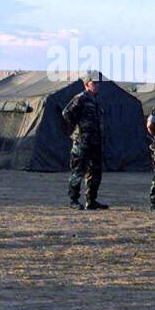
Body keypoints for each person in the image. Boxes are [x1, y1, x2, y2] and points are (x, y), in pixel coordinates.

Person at [62, 74, 107, 210]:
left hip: (95, 141)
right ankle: (73, 200)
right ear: (86, 84)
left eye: (99, 83)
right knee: (78, 171)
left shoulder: (96, 101)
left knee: (95, 171)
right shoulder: (81, 98)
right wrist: (77, 127)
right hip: (82, 141)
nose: (97, 85)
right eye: (94, 83)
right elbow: (66, 113)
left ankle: (91, 200)